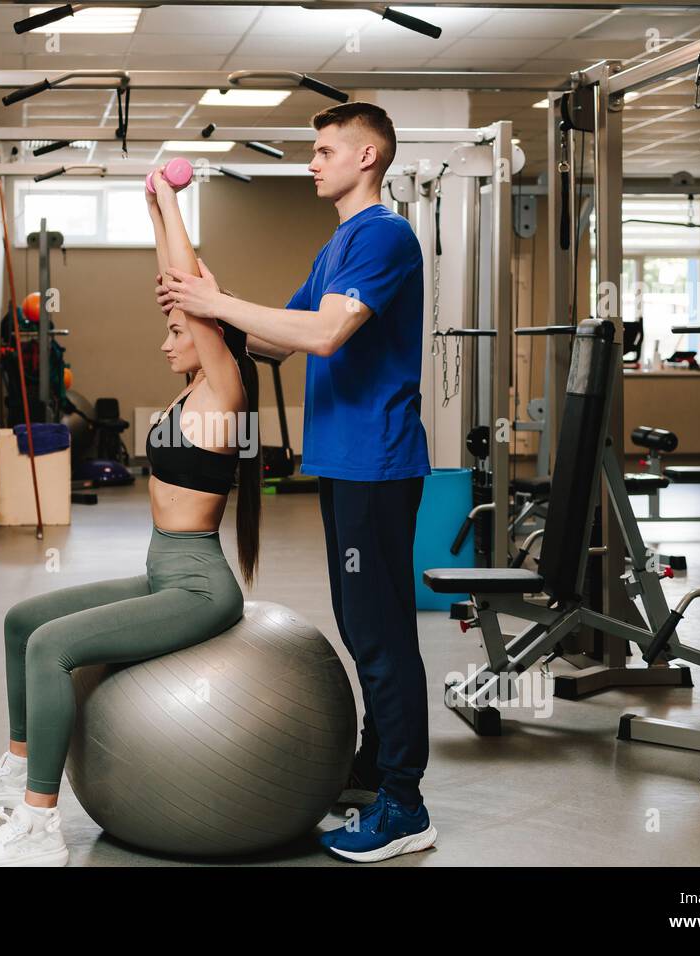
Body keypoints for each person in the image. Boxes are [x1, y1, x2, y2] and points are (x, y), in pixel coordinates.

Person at [0, 166, 262, 867]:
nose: (165, 338)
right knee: (22, 622)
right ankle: (16, 763)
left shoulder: (225, 393)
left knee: (50, 649)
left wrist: (175, 202)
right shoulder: (192, 395)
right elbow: (180, 286)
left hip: (197, 588)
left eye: (179, 329)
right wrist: (153, 211)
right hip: (161, 575)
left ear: (211, 332)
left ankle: (38, 827)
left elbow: (193, 294)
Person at [159, 101, 437, 863]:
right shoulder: (342, 243)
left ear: (368, 156)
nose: (311, 163)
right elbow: (273, 341)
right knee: (366, 627)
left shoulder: (383, 235)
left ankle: (405, 805)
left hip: (377, 464)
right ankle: (377, 770)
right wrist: (210, 302)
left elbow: (324, 334)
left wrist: (215, 305)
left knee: (377, 635)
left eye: (323, 151)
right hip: (346, 466)